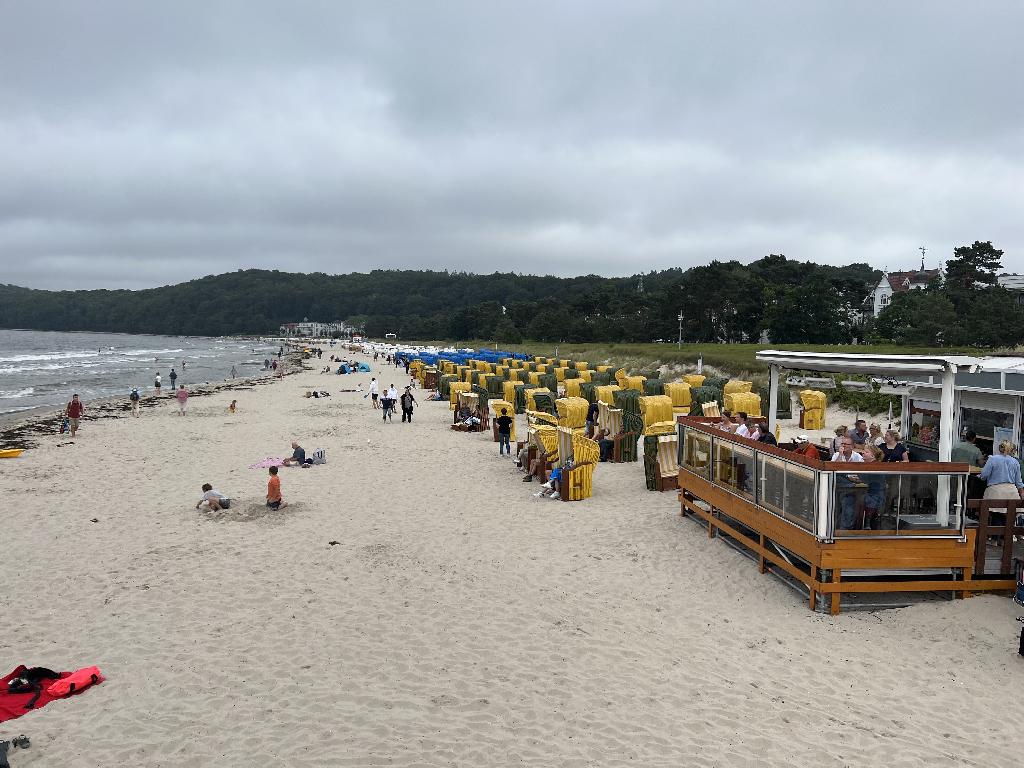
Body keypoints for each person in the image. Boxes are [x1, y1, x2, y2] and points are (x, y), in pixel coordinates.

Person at [979, 440, 1024, 510]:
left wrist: (980, 477)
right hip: (1012, 494)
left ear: (1000, 448)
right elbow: (1019, 483)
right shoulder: (1015, 462)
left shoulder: (992, 459)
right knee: (1010, 518)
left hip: (996, 493)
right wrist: (1022, 496)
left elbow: (984, 475)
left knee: (996, 517)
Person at [832, 436, 864, 529]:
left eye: (846, 444)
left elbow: (862, 472)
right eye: (842, 444)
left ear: (852, 446)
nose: (844, 446)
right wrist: (841, 455)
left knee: (848, 505)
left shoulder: (857, 456)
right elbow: (833, 468)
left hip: (852, 487)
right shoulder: (836, 455)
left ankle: (845, 529)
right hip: (838, 486)